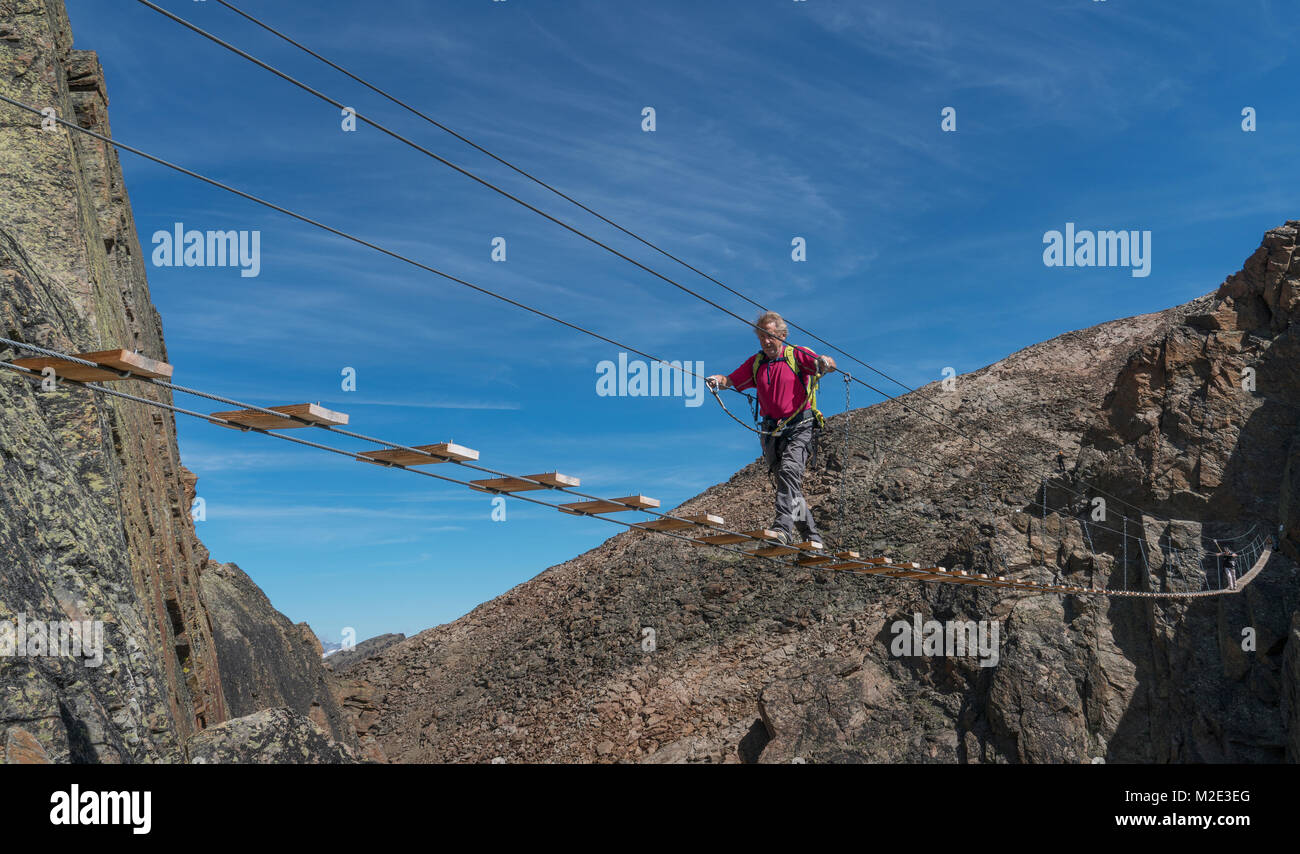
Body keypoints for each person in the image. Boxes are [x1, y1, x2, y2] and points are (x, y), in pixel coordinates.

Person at [706, 311, 836, 548]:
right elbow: (731, 381)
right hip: (771, 434)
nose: (766, 341)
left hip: (800, 427)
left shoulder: (797, 354)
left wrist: (826, 363)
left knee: (788, 472)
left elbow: (824, 364)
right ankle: (813, 538)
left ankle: (782, 530)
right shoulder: (757, 363)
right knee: (788, 485)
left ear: (783, 336)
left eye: (771, 336)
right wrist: (717, 380)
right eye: (762, 337)